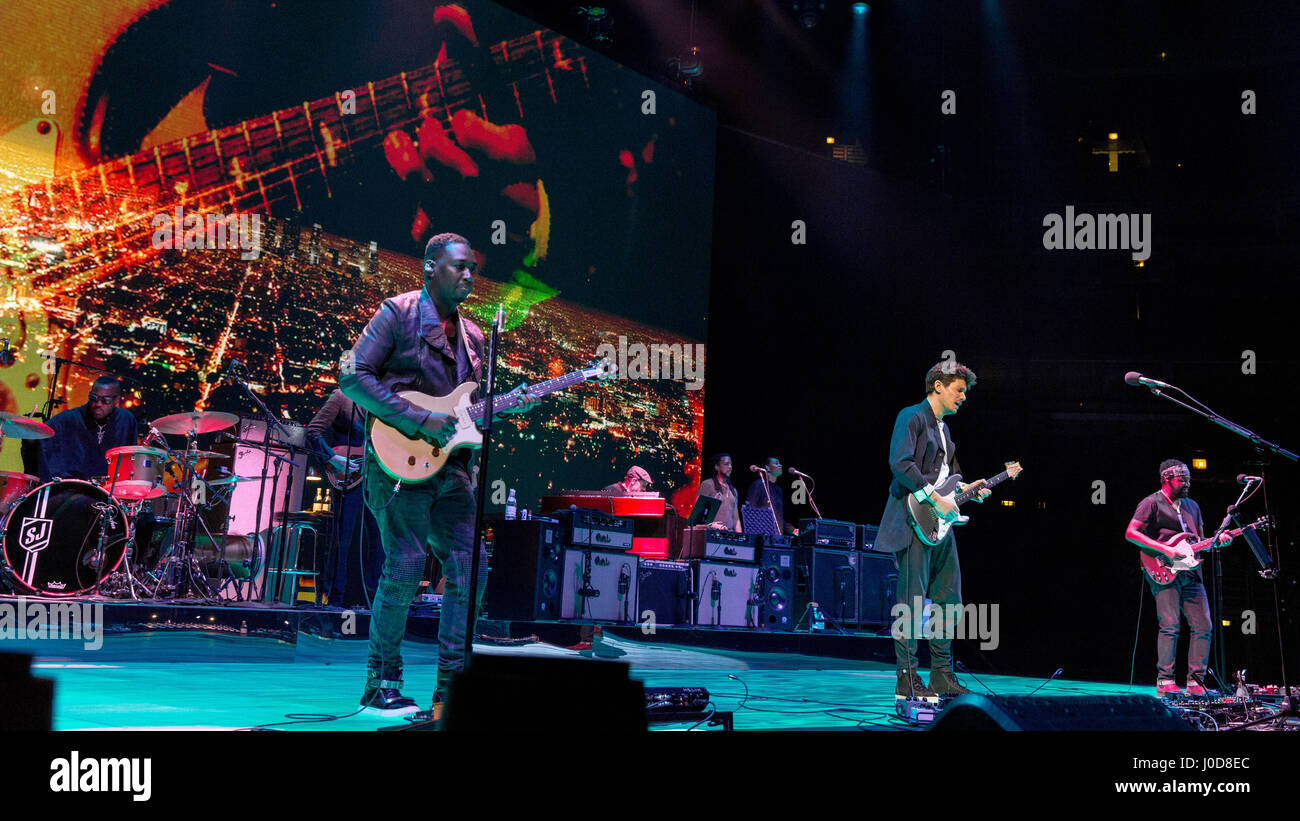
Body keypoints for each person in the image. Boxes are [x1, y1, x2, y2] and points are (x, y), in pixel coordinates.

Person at [340, 232, 537, 718]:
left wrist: (506, 407)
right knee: (405, 566)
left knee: (472, 568)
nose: (469, 274)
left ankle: (452, 684)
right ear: (430, 267)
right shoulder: (397, 313)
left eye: (473, 267)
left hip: (451, 469)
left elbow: (464, 410)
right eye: (458, 266)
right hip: (399, 463)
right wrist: (417, 418)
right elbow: (352, 374)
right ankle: (380, 680)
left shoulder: (473, 336)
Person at [874, 362, 989, 702]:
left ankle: (941, 675)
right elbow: (900, 463)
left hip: (939, 526)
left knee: (949, 598)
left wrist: (968, 489)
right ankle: (906, 678)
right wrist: (934, 497)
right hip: (911, 520)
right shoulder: (912, 416)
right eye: (959, 389)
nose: (963, 396)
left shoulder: (945, 432)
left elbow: (946, 479)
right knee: (910, 602)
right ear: (938, 386)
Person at [1124, 459, 1230, 698]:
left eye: (1188, 479)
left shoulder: (1193, 505)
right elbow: (1131, 532)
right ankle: (1165, 681)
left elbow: (1199, 542)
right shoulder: (1151, 502)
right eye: (1182, 479)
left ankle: (1196, 682)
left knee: (1204, 626)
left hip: (1191, 572)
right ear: (1167, 479)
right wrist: (1167, 550)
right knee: (1170, 625)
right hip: (1163, 569)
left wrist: (1218, 541)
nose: (1187, 483)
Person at [305, 389, 381, 608]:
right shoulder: (342, 396)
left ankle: (373, 602)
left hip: (376, 476)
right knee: (342, 539)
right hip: (348, 473)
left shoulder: (382, 401)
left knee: (380, 540)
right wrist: (332, 458)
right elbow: (313, 431)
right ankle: (334, 600)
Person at [35, 375, 138, 482]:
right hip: (73, 487)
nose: (98, 404)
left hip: (111, 488)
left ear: (116, 399)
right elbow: (42, 437)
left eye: (105, 401)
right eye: (94, 398)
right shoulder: (68, 418)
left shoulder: (126, 420)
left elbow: (130, 459)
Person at [745, 457, 797, 535]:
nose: (780, 465)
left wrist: (796, 532)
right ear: (767, 467)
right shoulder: (758, 485)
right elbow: (750, 511)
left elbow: (777, 518)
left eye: (779, 463)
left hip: (777, 537)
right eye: (776, 463)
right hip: (762, 535)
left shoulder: (778, 490)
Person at [696, 453, 740, 531]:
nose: (730, 467)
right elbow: (697, 515)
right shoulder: (708, 485)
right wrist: (712, 525)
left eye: (731, 464)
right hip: (712, 534)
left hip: (728, 535)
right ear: (717, 467)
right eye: (726, 464)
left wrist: (741, 538)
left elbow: (736, 519)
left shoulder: (733, 490)